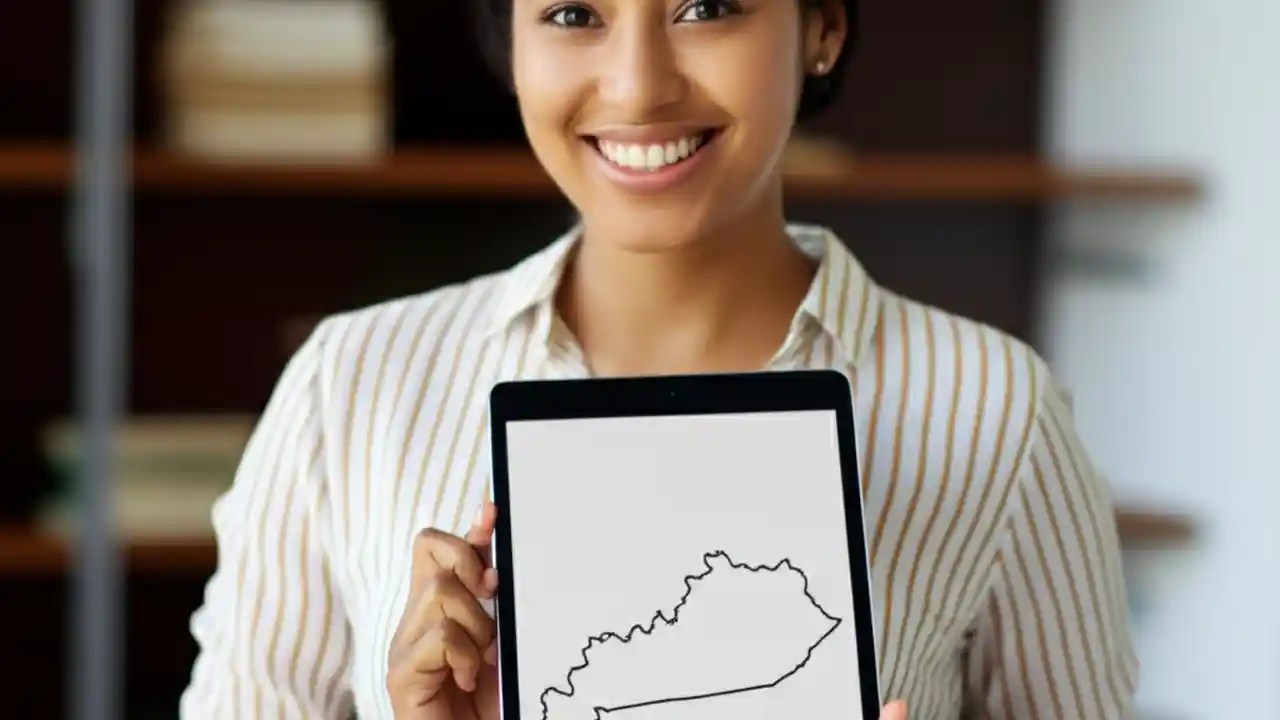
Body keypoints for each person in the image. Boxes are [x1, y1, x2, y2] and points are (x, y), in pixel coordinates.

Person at [180, 0, 1137, 718]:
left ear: (823, 29)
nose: (639, 85)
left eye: (707, 7)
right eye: (571, 14)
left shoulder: (996, 408)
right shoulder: (348, 386)